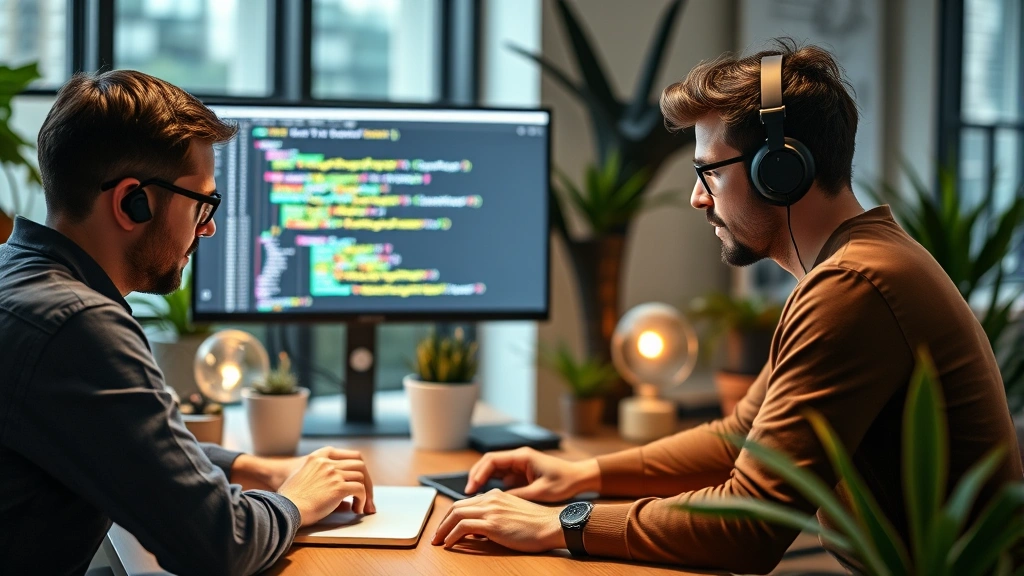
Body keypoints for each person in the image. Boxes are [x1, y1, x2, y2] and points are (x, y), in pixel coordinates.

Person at [431, 39, 1024, 574]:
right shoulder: (857, 263)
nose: (696, 197)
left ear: (780, 170)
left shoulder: (853, 286)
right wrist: (584, 475)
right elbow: (740, 437)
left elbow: (749, 528)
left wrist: (564, 523)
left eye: (707, 171)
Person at [0, 70, 376, 576]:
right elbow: (221, 545)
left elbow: (115, 433)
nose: (210, 226)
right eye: (203, 202)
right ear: (134, 201)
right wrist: (297, 501)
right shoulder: (78, 322)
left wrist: (244, 467)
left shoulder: (17, 276)